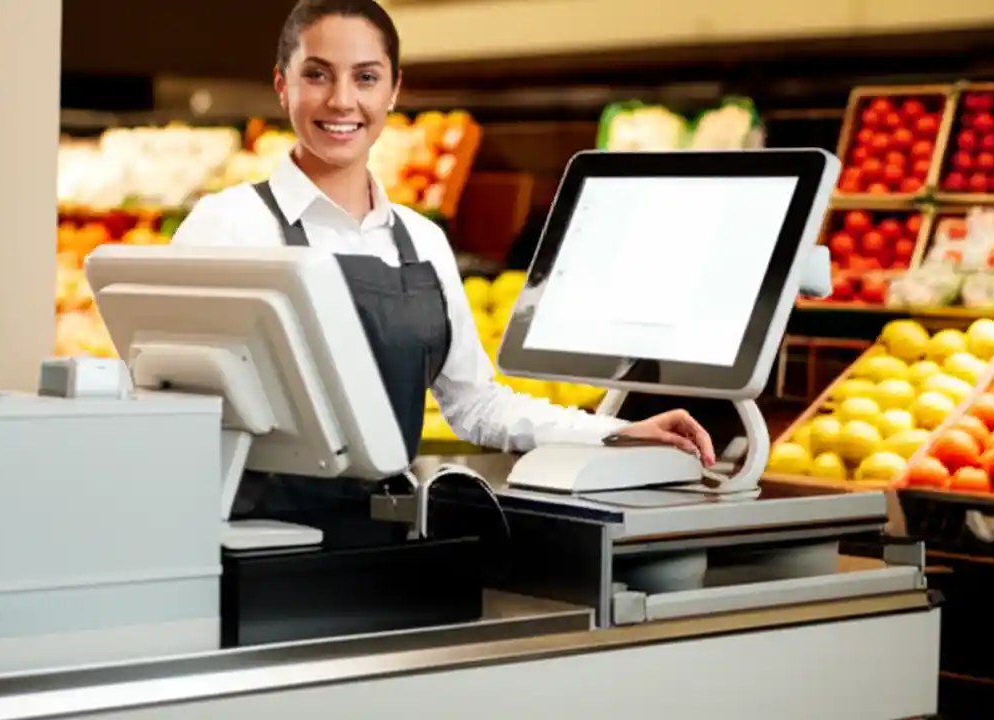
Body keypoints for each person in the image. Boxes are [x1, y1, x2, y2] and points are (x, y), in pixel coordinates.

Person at [171, 0, 715, 545]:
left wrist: (619, 433)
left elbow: (476, 405)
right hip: (256, 547)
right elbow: (172, 405)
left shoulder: (423, 243)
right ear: (282, 85)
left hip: (386, 547)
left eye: (366, 78)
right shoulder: (227, 226)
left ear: (393, 90)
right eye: (317, 75)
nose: (342, 100)